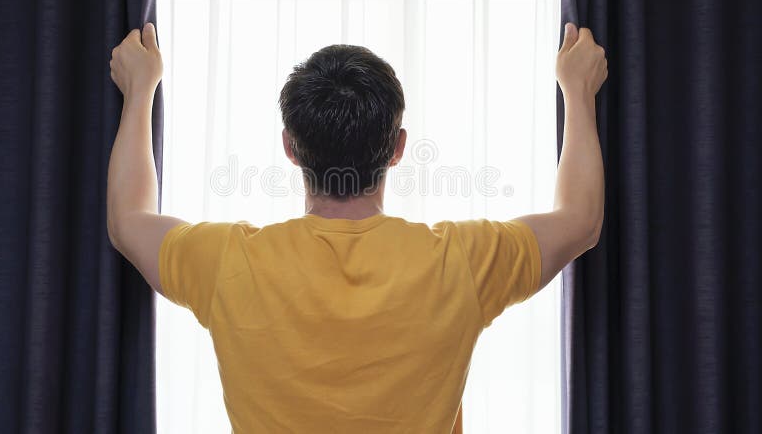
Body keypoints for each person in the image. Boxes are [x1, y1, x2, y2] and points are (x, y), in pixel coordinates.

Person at [107, 21, 606, 433]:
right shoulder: (462, 261)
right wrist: (577, 90)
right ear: (399, 148)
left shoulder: (226, 262)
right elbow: (580, 220)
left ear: (289, 147)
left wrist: (140, 90)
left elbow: (128, 221)